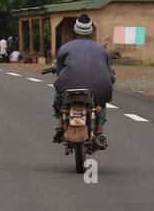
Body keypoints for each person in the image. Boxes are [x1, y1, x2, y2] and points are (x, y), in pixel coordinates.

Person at [49, 13, 115, 143]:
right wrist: (110, 79)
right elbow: (110, 77)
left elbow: (60, 71)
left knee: (58, 98)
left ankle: (61, 123)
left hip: (68, 88)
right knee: (101, 104)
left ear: (75, 28)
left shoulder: (65, 48)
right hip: (98, 90)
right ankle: (99, 129)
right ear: (91, 31)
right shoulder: (102, 50)